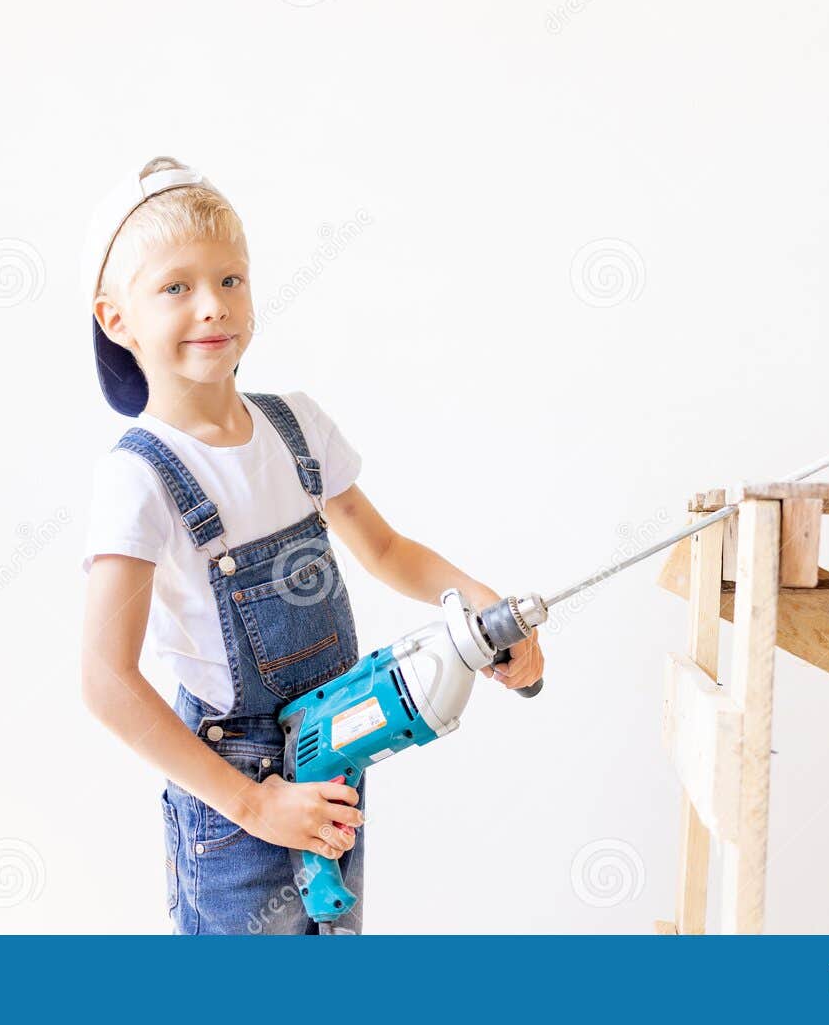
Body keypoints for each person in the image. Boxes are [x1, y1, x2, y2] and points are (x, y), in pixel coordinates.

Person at [78, 157, 544, 934]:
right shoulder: (139, 477)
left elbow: (387, 549)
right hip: (233, 809)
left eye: (232, 279)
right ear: (116, 318)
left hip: (331, 772)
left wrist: (487, 609)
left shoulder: (296, 427)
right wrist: (254, 801)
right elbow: (105, 678)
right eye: (175, 287)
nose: (212, 306)